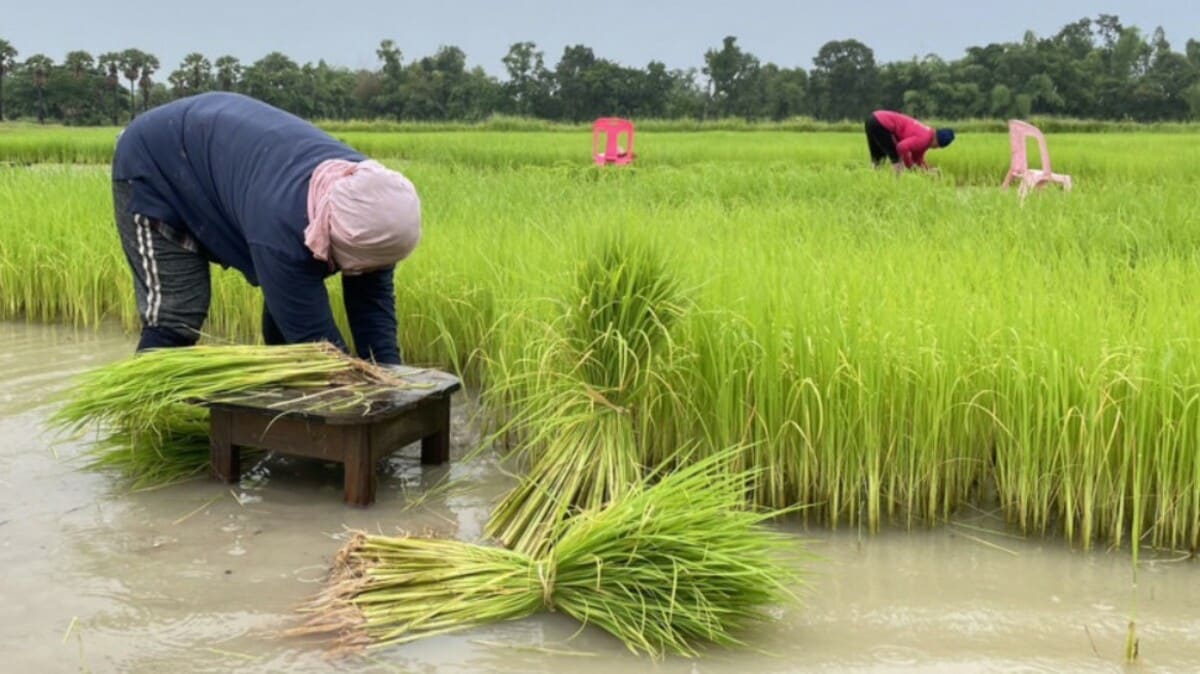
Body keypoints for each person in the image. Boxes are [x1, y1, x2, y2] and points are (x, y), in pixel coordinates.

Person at [111, 92, 421, 365]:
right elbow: (318, 351)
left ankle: (284, 416)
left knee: (290, 309)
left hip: (229, 155)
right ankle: (147, 419)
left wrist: (392, 379)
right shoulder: (283, 232)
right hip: (157, 165)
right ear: (327, 234)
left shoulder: (375, 204)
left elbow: (372, 310)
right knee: (177, 315)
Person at [865, 110, 954, 174]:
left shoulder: (927, 134)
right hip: (882, 124)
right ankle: (896, 189)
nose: (934, 148)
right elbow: (901, 147)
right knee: (897, 161)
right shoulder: (925, 139)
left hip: (873, 119)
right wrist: (910, 166)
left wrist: (928, 170)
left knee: (878, 161)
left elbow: (917, 159)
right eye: (937, 146)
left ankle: (874, 182)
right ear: (937, 142)